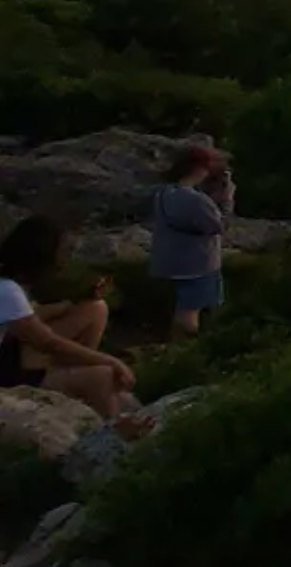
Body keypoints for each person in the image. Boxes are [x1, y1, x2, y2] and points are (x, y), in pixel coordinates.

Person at [1, 215, 149, 435]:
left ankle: (79, 381)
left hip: (12, 358)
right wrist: (110, 360)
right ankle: (115, 436)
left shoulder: (9, 284)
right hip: (8, 373)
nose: (65, 259)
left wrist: (78, 300)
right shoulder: (8, 291)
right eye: (63, 251)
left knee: (96, 308)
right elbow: (47, 342)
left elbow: (31, 317)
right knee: (101, 375)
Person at [149, 143, 234, 336]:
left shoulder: (164, 193)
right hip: (197, 266)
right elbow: (220, 226)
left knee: (182, 310)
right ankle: (184, 349)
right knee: (189, 315)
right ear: (199, 168)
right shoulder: (196, 200)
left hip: (171, 263)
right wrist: (227, 199)